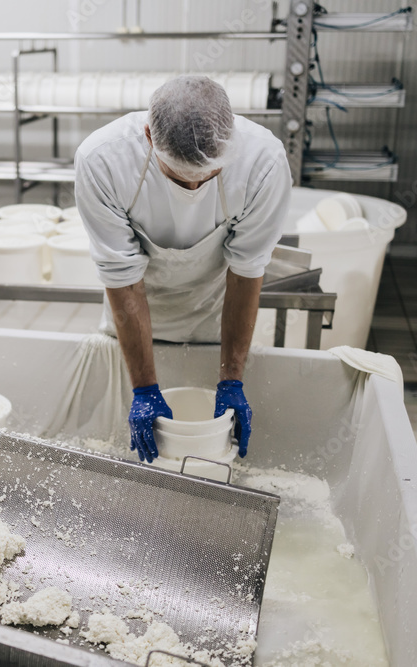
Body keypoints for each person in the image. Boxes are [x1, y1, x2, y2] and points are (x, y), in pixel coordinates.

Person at [74, 75, 291, 464]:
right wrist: (143, 389)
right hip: (135, 316)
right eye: (178, 178)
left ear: (231, 144)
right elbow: (122, 278)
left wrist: (231, 379)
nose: (194, 191)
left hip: (216, 312)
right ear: (148, 137)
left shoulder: (264, 163)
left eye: (209, 176)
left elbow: (246, 273)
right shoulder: (103, 160)